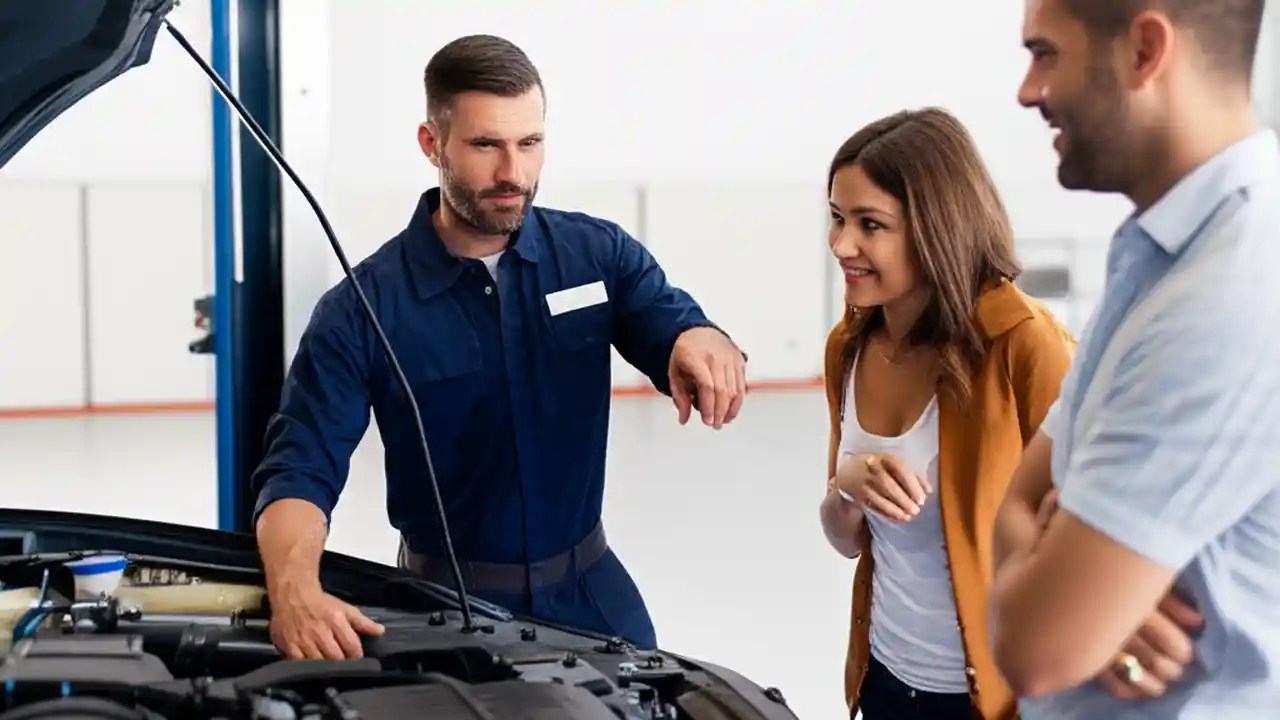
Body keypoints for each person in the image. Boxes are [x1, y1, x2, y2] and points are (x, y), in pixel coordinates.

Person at [250, 34, 748, 661]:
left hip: (592, 595)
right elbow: (300, 468)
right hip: (445, 608)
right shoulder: (361, 310)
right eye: (486, 145)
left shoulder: (598, 256)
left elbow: (669, 318)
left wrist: (700, 338)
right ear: (433, 144)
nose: (513, 173)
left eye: (529, 144)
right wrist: (293, 588)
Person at [989, 0, 1280, 717]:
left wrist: (1059, 590)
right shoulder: (1162, 261)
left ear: (1145, 50)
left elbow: (1032, 646)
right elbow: (1014, 507)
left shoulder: (1232, 287)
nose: (1027, 91)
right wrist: (1073, 588)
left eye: (1046, 54)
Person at [818, 107, 1075, 720]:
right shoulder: (847, 347)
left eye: (869, 225)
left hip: (995, 698)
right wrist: (845, 490)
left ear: (937, 227)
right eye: (836, 218)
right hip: (883, 681)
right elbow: (844, 540)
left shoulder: (1024, 344)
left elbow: (1090, 545)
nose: (841, 245)